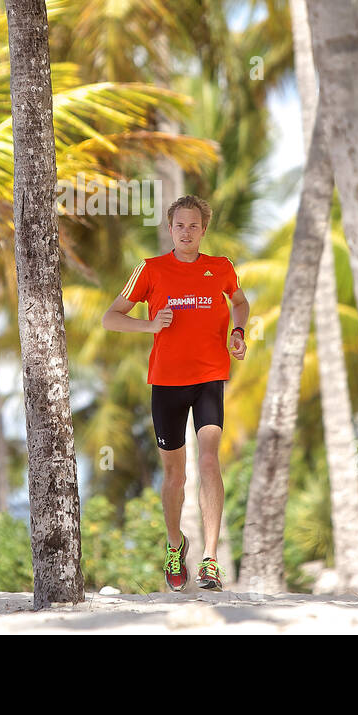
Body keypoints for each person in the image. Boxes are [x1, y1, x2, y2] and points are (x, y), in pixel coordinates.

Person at [101, 195, 250, 591]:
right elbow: (110, 318)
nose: (187, 232)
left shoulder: (220, 268)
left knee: (208, 462)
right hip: (166, 382)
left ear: (203, 230)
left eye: (194, 226)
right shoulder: (150, 270)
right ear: (171, 229)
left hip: (209, 378)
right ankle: (174, 546)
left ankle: (211, 559)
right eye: (179, 225)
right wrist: (149, 327)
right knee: (174, 475)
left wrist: (238, 332)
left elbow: (240, 302)